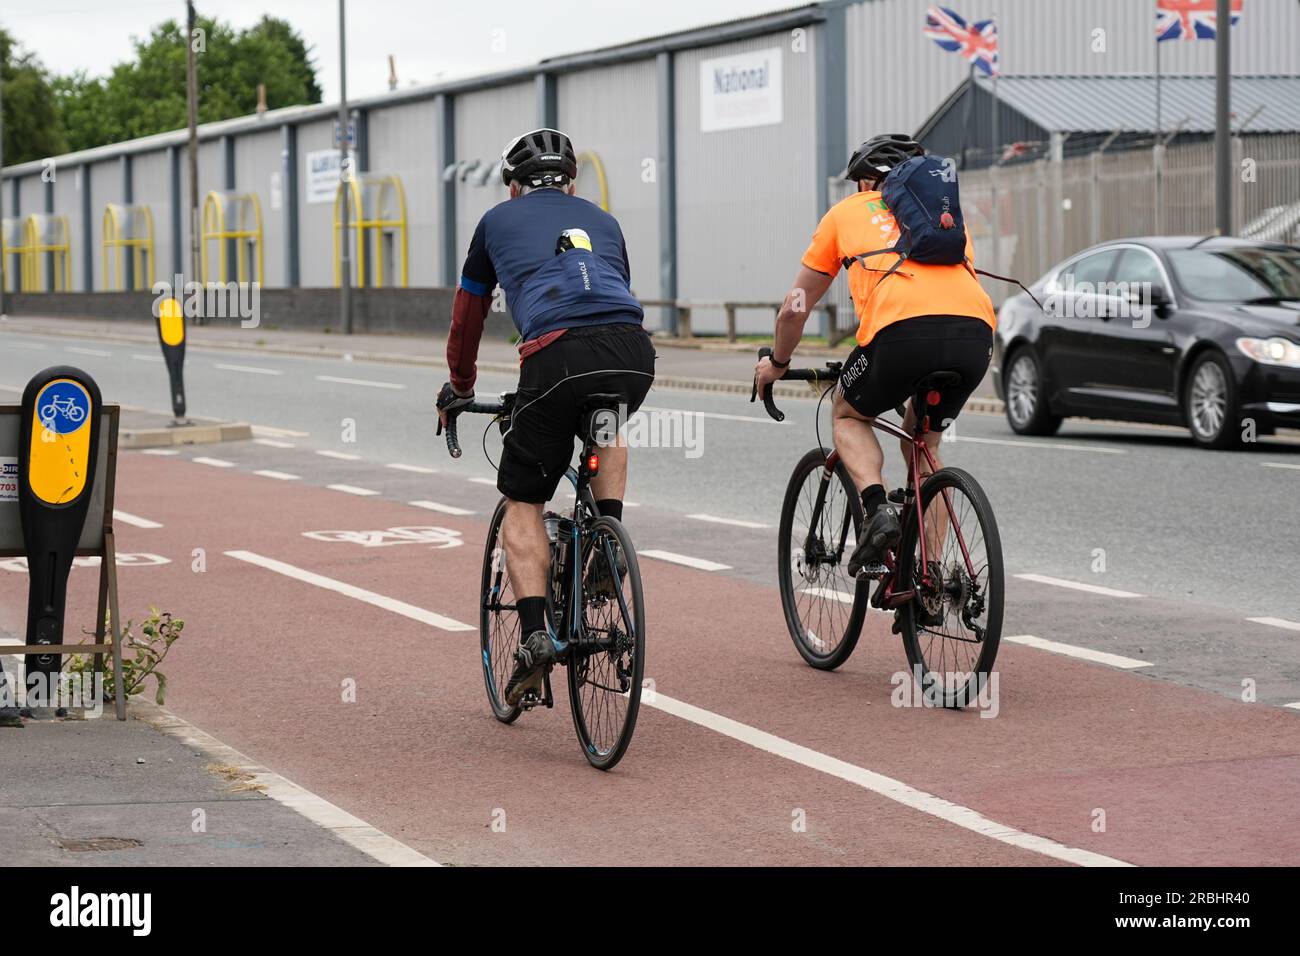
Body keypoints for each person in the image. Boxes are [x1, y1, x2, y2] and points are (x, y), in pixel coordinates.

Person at [437, 128, 655, 705]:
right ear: (572, 184)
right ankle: (609, 537)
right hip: (631, 351)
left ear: (513, 188)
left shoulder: (494, 223)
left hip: (556, 357)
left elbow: (468, 317)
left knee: (524, 500)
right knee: (607, 423)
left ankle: (535, 637)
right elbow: (611, 294)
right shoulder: (604, 221)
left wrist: (461, 387)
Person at [753, 133, 995, 576]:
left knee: (847, 413)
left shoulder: (846, 213)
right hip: (975, 335)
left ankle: (878, 510)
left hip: (900, 334)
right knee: (924, 445)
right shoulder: (946, 220)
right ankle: (932, 578)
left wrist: (778, 363)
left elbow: (795, 307)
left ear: (867, 182)